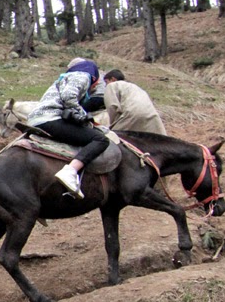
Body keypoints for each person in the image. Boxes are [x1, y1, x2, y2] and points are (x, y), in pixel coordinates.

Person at [26, 58, 109, 199]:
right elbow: (69, 96)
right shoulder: (83, 76)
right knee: (100, 139)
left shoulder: (65, 78)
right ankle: (70, 171)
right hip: (51, 118)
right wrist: (84, 116)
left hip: (39, 118)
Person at [102, 69, 167, 135]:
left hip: (132, 113)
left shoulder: (111, 85)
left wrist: (113, 124)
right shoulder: (136, 87)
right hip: (152, 114)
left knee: (114, 137)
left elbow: (112, 106)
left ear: (113, 79)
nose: (105, 85)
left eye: (106, 82)